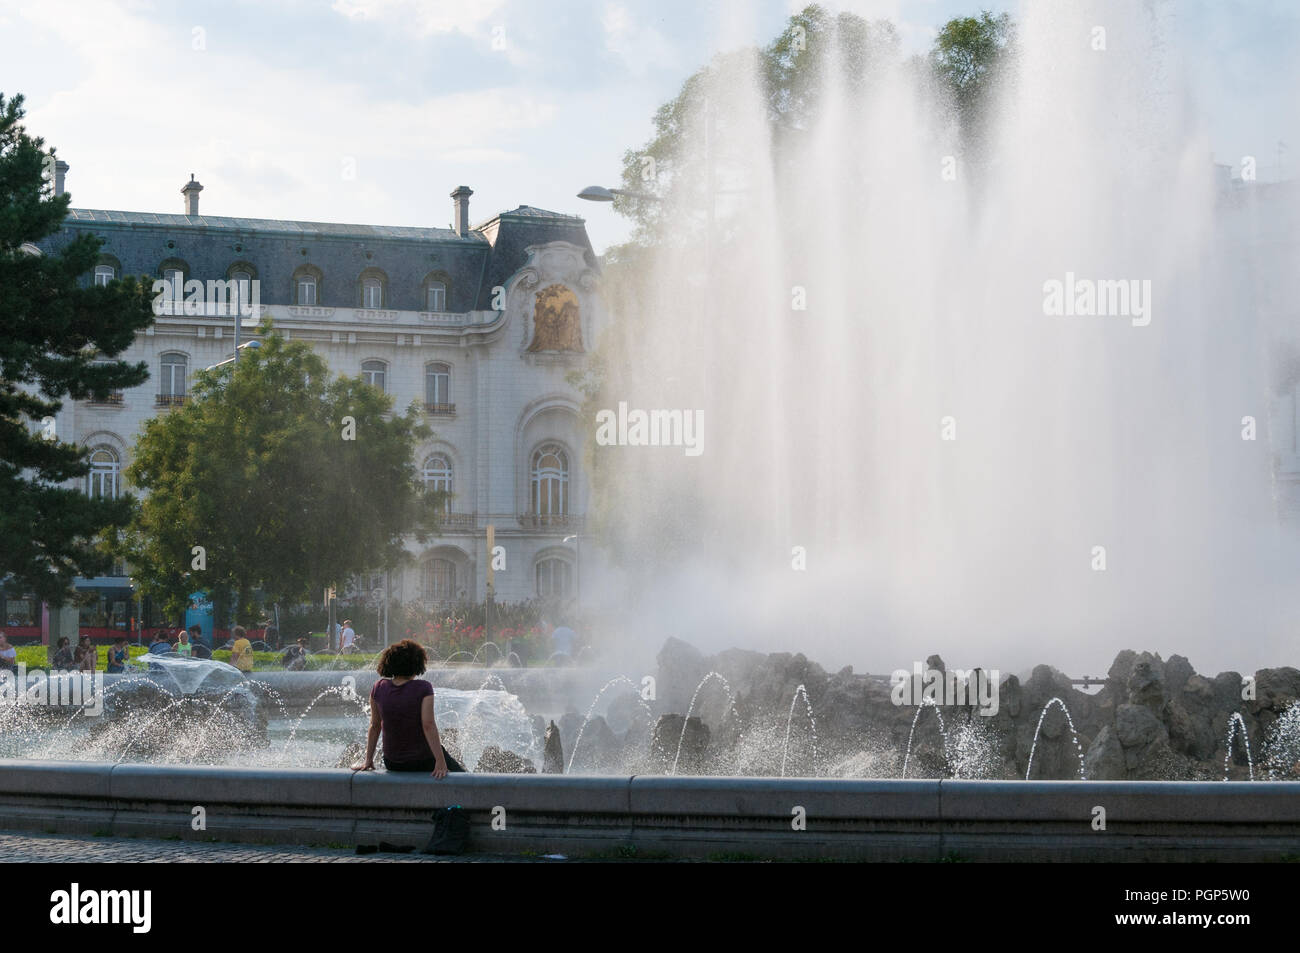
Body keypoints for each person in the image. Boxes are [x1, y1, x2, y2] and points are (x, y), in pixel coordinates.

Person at [354, 639, 463, 777]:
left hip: (393, 763)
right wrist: (440, 761)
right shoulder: (423, 688)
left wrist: (368, 760)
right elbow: (428, 725)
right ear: (417, 663)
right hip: (422, 760)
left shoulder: (379, 687)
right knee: (464, 778)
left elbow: (375, 726)